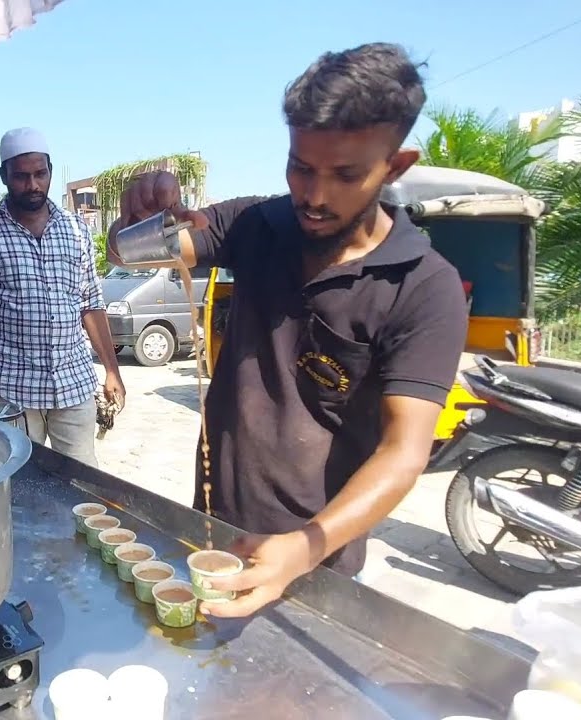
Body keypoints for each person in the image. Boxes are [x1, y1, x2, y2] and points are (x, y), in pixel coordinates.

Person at [108, 44, 468, 617]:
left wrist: (303, 548)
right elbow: (126, 254)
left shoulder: (423, 287)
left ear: (395, 166)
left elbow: (403, 452)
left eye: (346, 174)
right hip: (211, 531)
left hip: (316, 563)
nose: (315, 196)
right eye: (301, 167)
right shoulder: (258, 224)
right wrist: (138, 219)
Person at [0, 127, 125, 467]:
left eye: (40, 174)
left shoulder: (76, 230)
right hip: (10, 389)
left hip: (73, 384)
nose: (32, 185)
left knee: (81, 479)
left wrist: (112, 370)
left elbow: (90, 302)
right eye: (21, 176)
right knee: (18, 482)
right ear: (4, 176)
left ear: (50, 172)